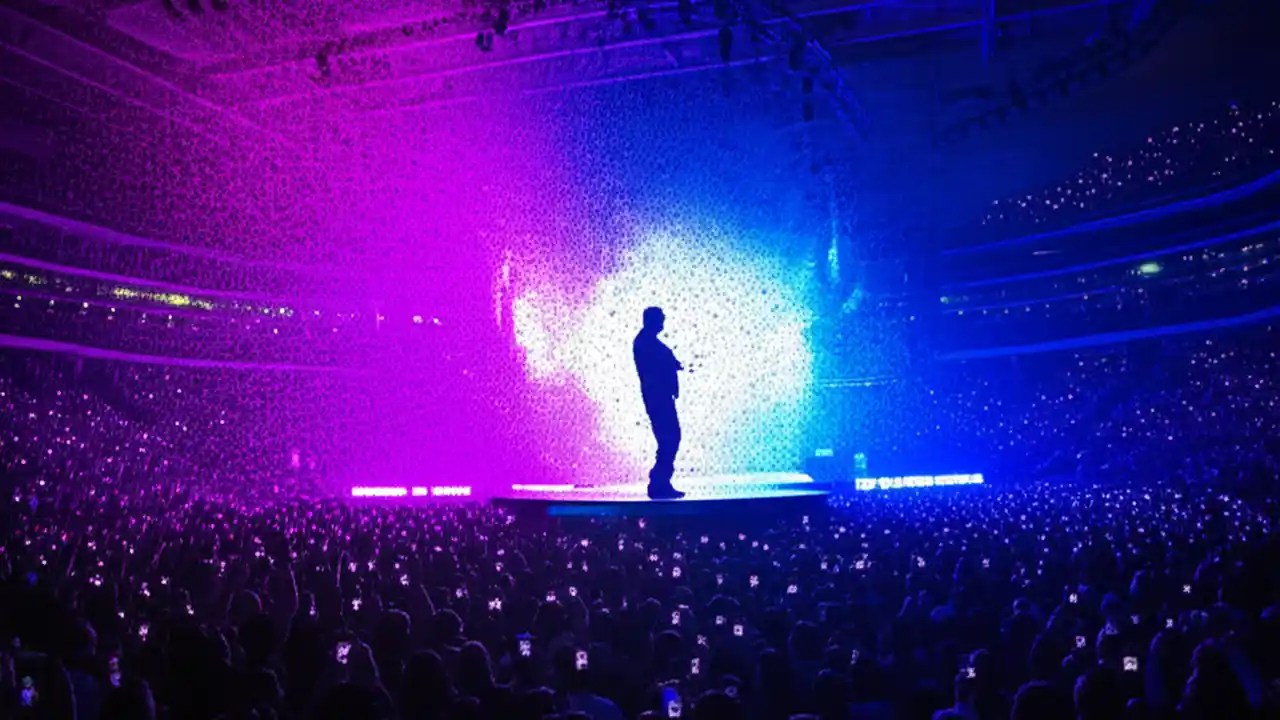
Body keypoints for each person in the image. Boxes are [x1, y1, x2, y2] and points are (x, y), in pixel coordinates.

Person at [633, 306, 684, 499]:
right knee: (669, 438)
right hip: (658, 399)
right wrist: (670, 364)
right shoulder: (645, 343)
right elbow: (654, 368)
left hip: (660, 398)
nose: (663, 323)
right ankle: (658, 482)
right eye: (660, 319)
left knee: (670, 438)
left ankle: (661, 481)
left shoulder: (648, 341)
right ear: (652, 320)